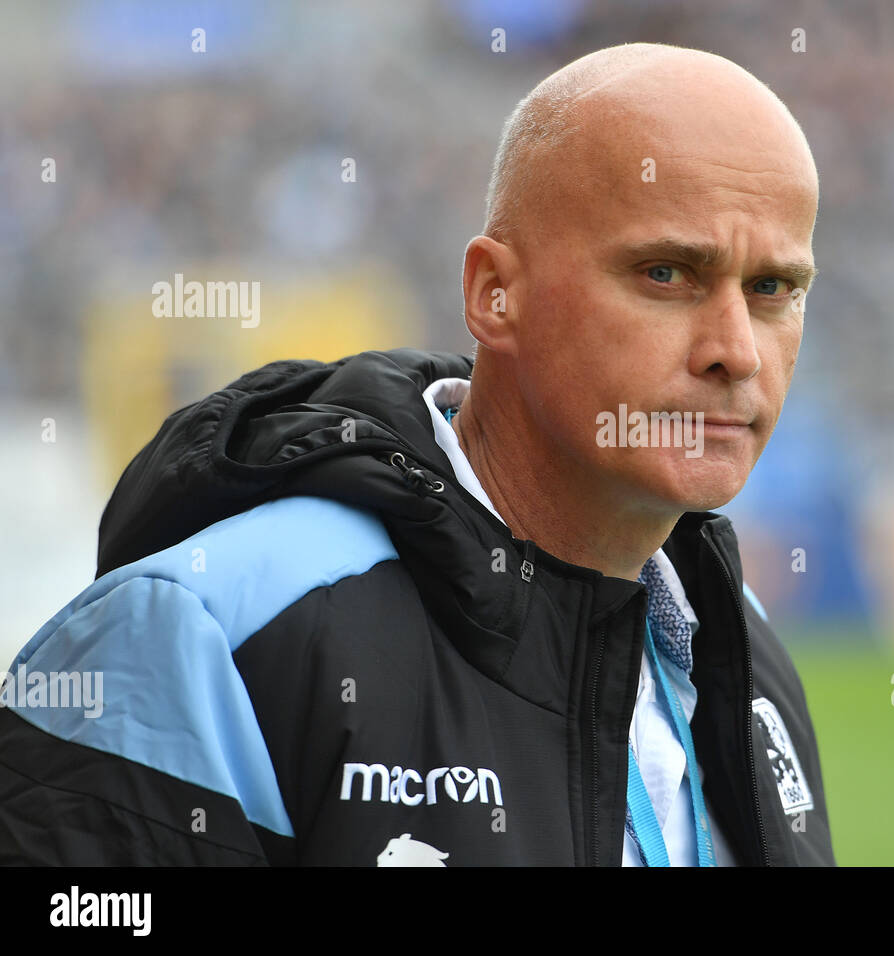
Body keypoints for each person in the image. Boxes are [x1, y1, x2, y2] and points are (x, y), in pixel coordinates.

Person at [0, 42, 833, 866]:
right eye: (666, 274)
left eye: (772, 289)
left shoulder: (736, 640)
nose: (736, 352)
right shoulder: (216, 630)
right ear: (494, 294)